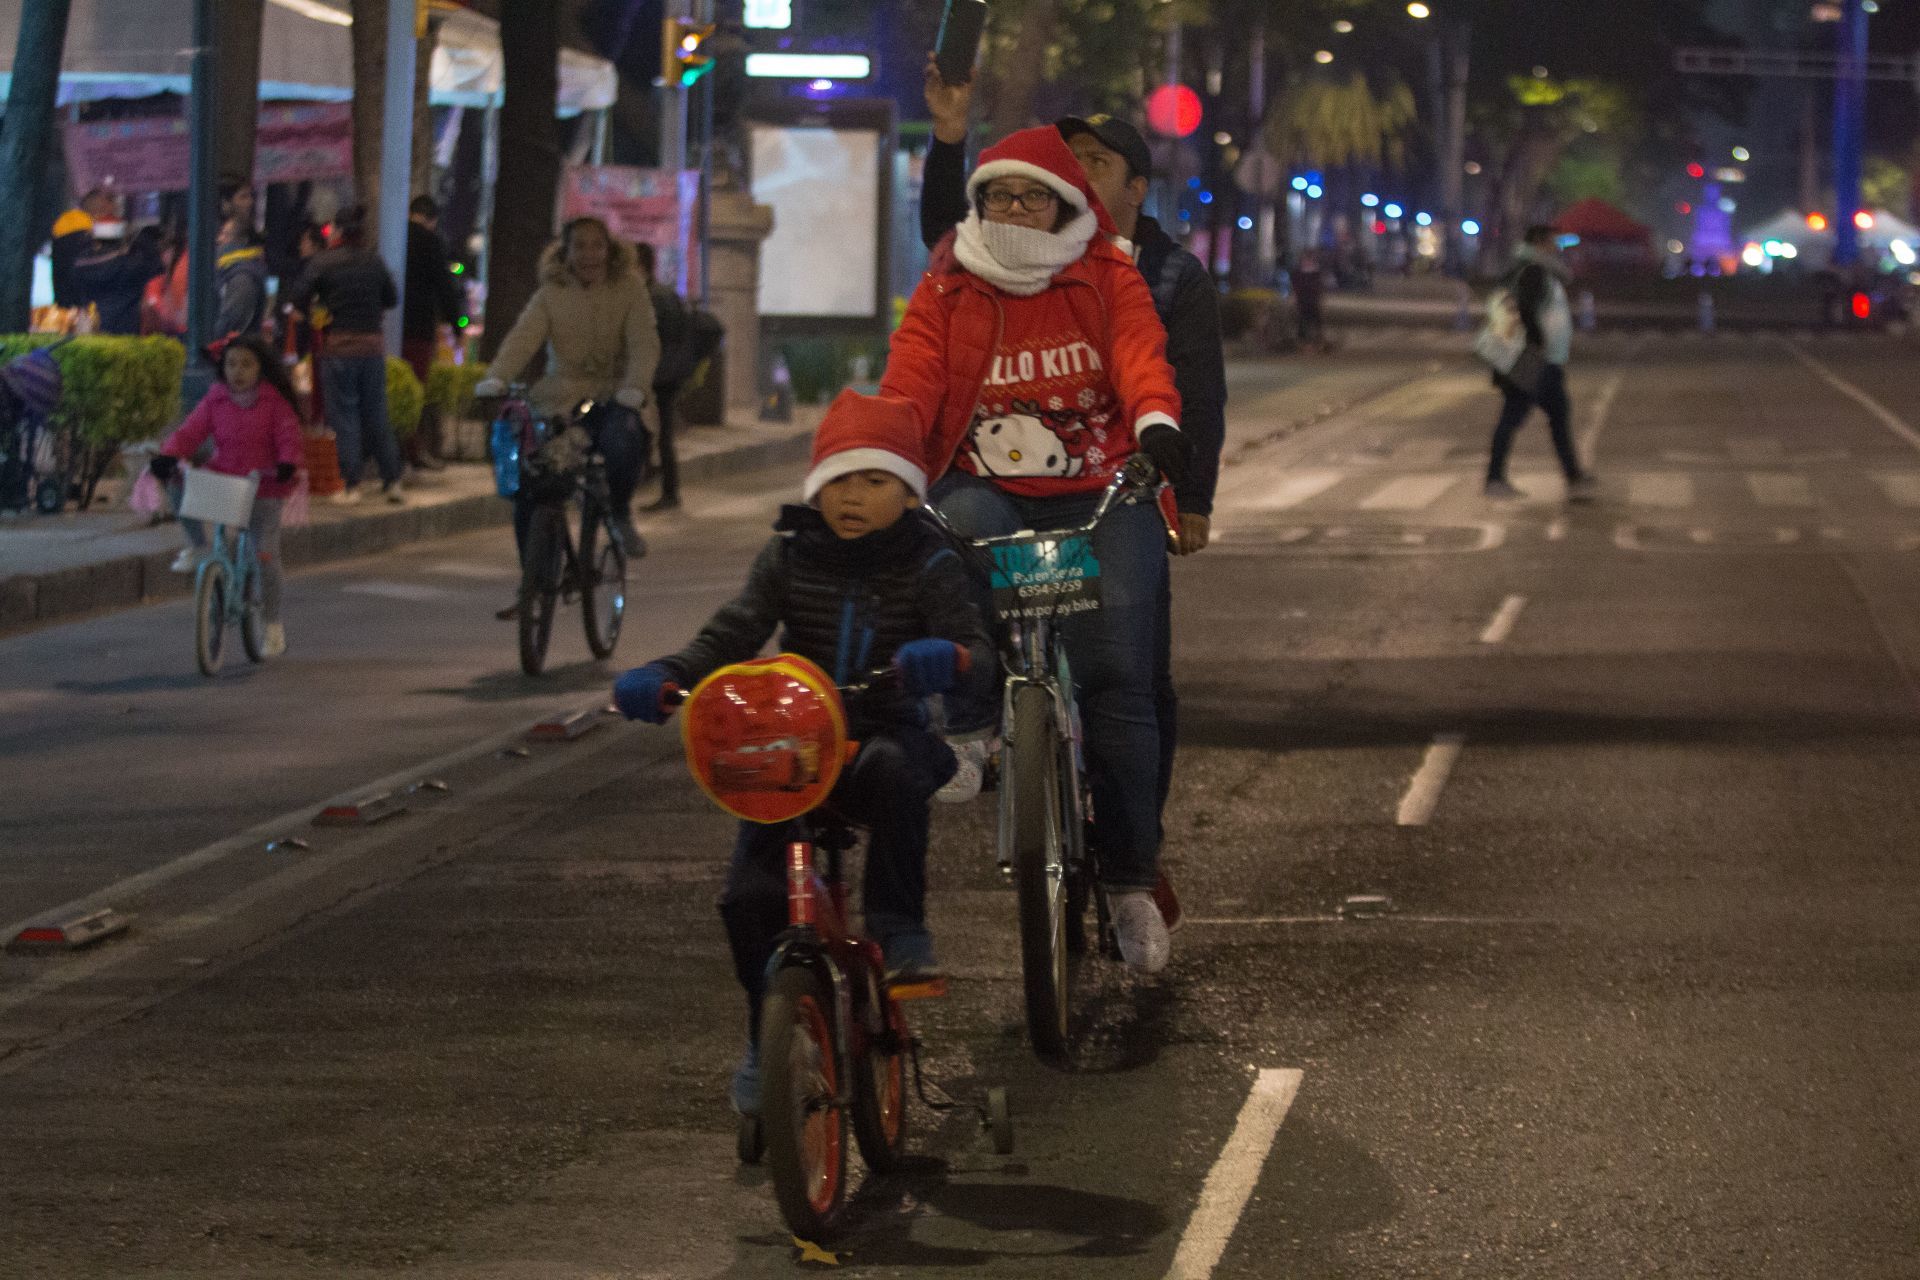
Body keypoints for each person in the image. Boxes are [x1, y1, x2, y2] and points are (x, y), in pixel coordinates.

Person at [610, 391, 991, 1117]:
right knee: (747, 899)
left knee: (894, 771)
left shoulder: (931, 561)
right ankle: (768, 1031)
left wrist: (949, 658)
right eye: (839, 481)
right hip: (791, 749)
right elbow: (733, 632)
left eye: (874, 482)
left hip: (882, 730)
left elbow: (976, 646)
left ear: (910, 496)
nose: (852, 497)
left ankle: (900, 929)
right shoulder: (789, 552)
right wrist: (668, 675)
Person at [920, 69, 1224, 928]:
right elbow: (942, 243)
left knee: (1128, 678)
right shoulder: (970, 271)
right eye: (1066, 160)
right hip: (1002, 495)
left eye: (1092, 162)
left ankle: (1135, 861)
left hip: (1122, 485)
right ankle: (983, 726)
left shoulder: (1157, 274)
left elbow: (1181, 383)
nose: (1069, 175)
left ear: (1128, 186)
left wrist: (1185, 484)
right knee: (961, 558)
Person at [475, 216, 658, 562]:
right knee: (531, 479)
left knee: (623, 442)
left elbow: (644, 343)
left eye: (597, 246)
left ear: (609, 250)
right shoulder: (550, 294)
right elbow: (522, 338)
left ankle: (619, 513)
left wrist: (634, 387)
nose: (589, 255)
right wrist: (496, 377)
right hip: (559, 397)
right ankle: (532, 573)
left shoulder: (630, 289)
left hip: (613, 394)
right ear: (567, 252)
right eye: (580, 246)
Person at [148, 334, 306, 657]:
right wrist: (170, 454)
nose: (238, 371)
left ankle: (273, 625)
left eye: (247, 364)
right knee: (178, 482)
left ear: (261, 368)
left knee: (266, 555)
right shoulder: (215, 399)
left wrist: (288, 463)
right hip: (226, 482)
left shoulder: (274, 403)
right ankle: (197, 545)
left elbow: (289, 436)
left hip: (264, 488)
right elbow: (190, 432)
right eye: (231, 363)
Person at [289, 206, 404, 505]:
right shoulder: (374, 261)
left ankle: (351, 483)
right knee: (376, 411)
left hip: (338, 346)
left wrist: (312, 310)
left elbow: (299, 294)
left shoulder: (323, 263)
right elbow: (391, 298)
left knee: (345, 414)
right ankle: (392, 479)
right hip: (372, 347)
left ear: (337, 231)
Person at [1484, 225, 1596, 502]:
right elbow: (1526, 309)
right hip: (1535, 359)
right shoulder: (1533, 271)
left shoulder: (1537, 269)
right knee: (1513, 417)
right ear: (1538, 242)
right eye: (1551, 242)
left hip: (1545, 361)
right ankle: (1495, 479)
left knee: (1557, 416)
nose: (1556, 246)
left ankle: (1573, 477)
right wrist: (1537, 344)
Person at [403, 195, 467, 470]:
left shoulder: (392, 234)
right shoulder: (431, 242)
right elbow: (445, 286)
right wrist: (458, 324)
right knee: (415, 388)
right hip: (418, 327)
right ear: (432, 219)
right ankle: (411, 449)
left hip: (389, 325)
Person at [633, 240, 690, 511]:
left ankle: (668, 490)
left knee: (660, 434)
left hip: (660, 375)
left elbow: (654, 339)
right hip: (667, 374)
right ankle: (656, 478)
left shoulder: (652, 297)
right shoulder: (662, 294)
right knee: (656, 431)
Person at [51, 188, 118, 309]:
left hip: (64, 309)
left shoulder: (63, 229)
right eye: (111, 202)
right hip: (86, 311)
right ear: (103, 206)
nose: (114, 208)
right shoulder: (89, 237)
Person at [1292, 250, 1327, 351]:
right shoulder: (1298, 273)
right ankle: (1304, 342)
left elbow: (1320, 289)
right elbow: (1295, 288)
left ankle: (1317, 342)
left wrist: (1321, 300)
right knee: (1302, 322)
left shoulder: (1316, 273)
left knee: (1316, 322)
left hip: (1313, 301)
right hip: (1302, 301)